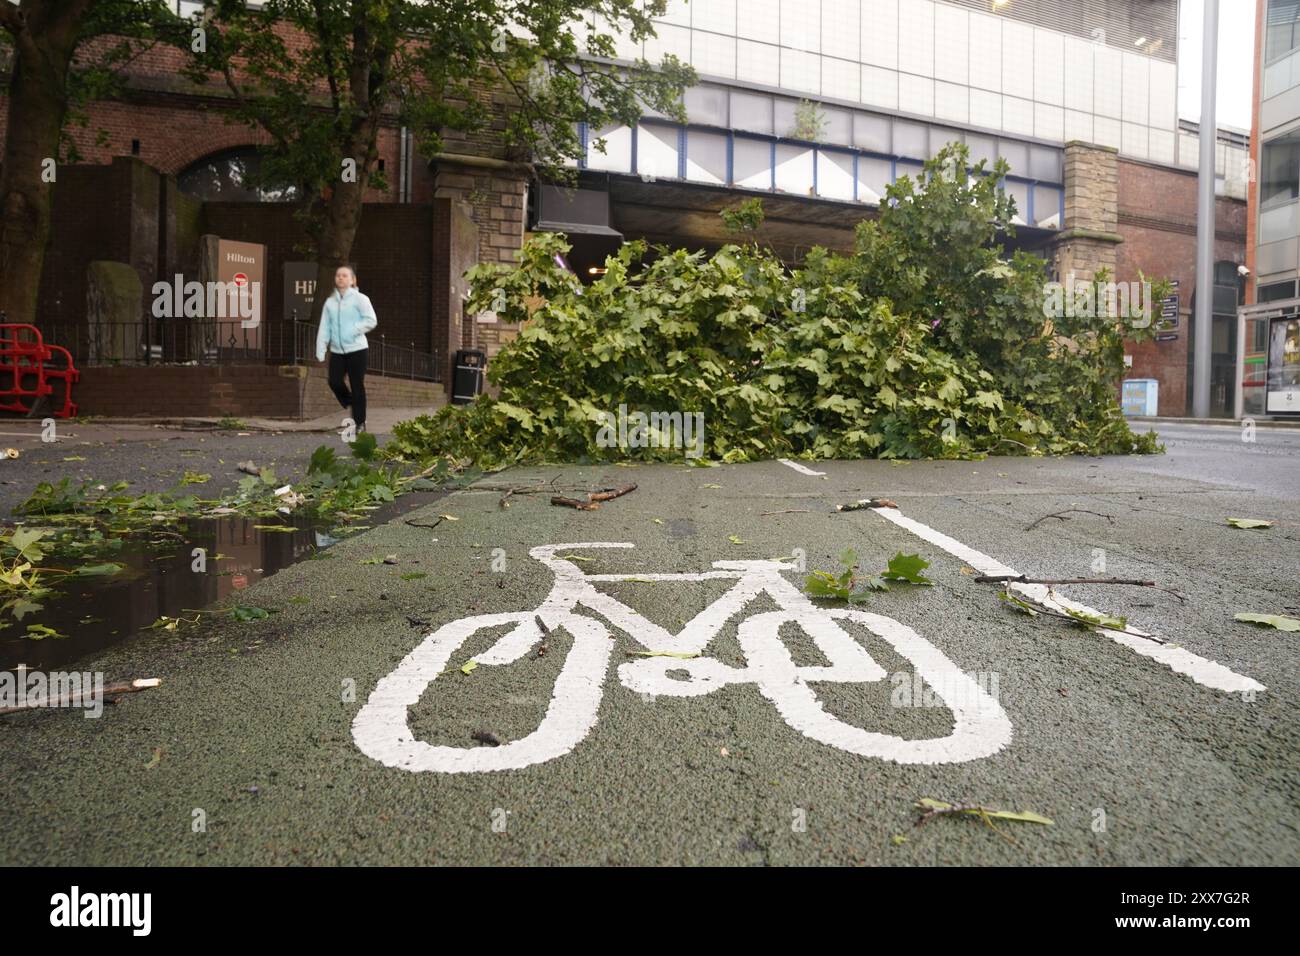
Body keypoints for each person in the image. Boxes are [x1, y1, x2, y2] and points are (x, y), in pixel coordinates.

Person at [315, 264, 377, 432]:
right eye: (338, 275)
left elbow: (371, 320)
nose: (340, 278)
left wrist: (354, 330)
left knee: (357, 384)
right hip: (337, 351)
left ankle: (360, 423)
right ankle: (352, 401)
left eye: (344, 275)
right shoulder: (330, 303)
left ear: (352, 280)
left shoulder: (361, 299)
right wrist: (321, 348)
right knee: (334, 381)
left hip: (357, 349)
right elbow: (325, 326)